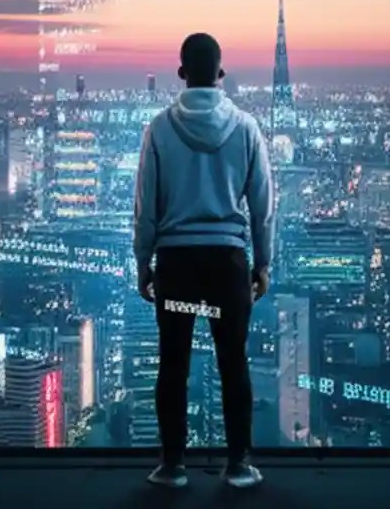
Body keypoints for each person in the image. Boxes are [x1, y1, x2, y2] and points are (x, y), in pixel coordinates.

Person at [133, 32, 275, 490]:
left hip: (176, 265)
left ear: (180, 74)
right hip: (227, 265)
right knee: (233, 361)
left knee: (173, 363)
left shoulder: (159, 129)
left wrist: (143, 262)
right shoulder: (247, 128)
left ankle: (172, 466)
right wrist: (263, 263)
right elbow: (263, 205)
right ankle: (238, 465)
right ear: (220, 74)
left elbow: (146, 206)